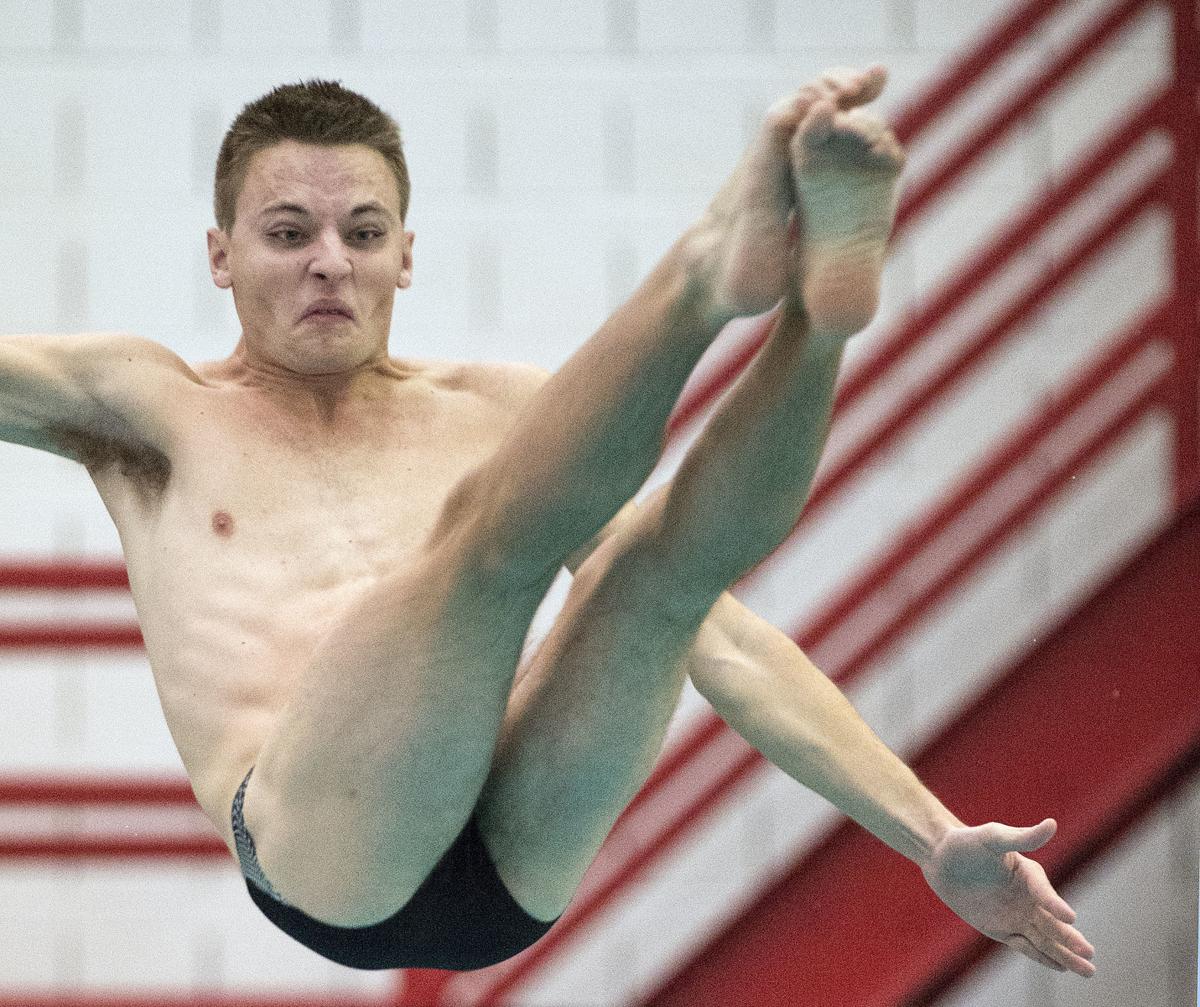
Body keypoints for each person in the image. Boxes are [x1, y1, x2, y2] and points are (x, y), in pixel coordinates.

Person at [0, 68, 1096, 977]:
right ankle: (707, 275)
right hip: (327, 856)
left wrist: (934, 836)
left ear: (406, 255)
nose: (329, 258)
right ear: (222, 255)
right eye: (288, 232)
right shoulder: (148, 411)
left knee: (660, 578)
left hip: (518, 856)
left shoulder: (495, 411)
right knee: (481, 544)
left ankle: (815, 320)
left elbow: (730, 641)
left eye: (361, 231)